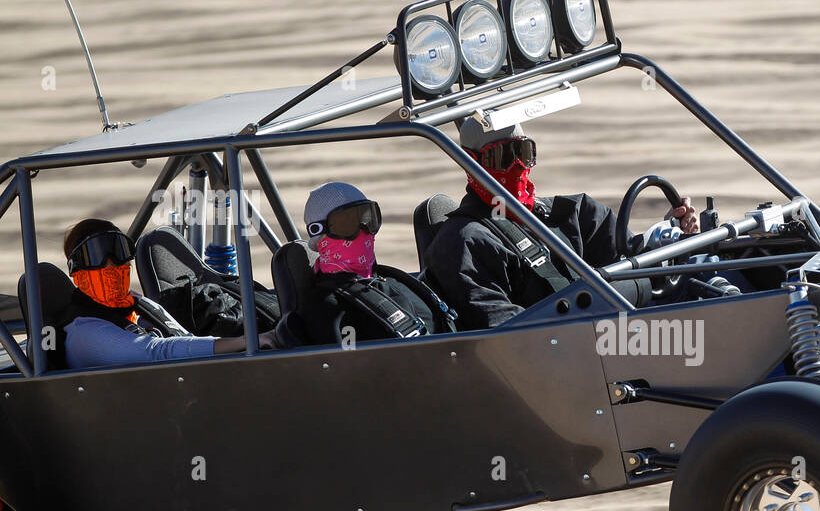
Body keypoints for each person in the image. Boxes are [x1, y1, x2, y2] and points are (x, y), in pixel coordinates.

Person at [424, 120, 699, 331]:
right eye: (504, 157)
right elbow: (508, 338)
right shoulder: (462, 244)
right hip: (572, 364)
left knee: (711, 279)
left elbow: (629, 256)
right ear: (473, 164)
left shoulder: (571, 212)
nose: (519, 166)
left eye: (524, 152)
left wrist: (672, 238)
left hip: (618, 335)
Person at [59, 219, 274, 369]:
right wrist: (246, 341)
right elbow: (157, 352)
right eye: (95, 256)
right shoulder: (84, 333)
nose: (111, 265)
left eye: (119, 253)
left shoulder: (137, 305)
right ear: (76, 270)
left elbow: (183, 338)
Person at [293, 182, 446, 346]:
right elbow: (349, 363)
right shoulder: (329, 306)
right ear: (319, 233)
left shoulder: (392, 279)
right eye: (346, 223)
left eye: (367, 219)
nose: (362, 230)